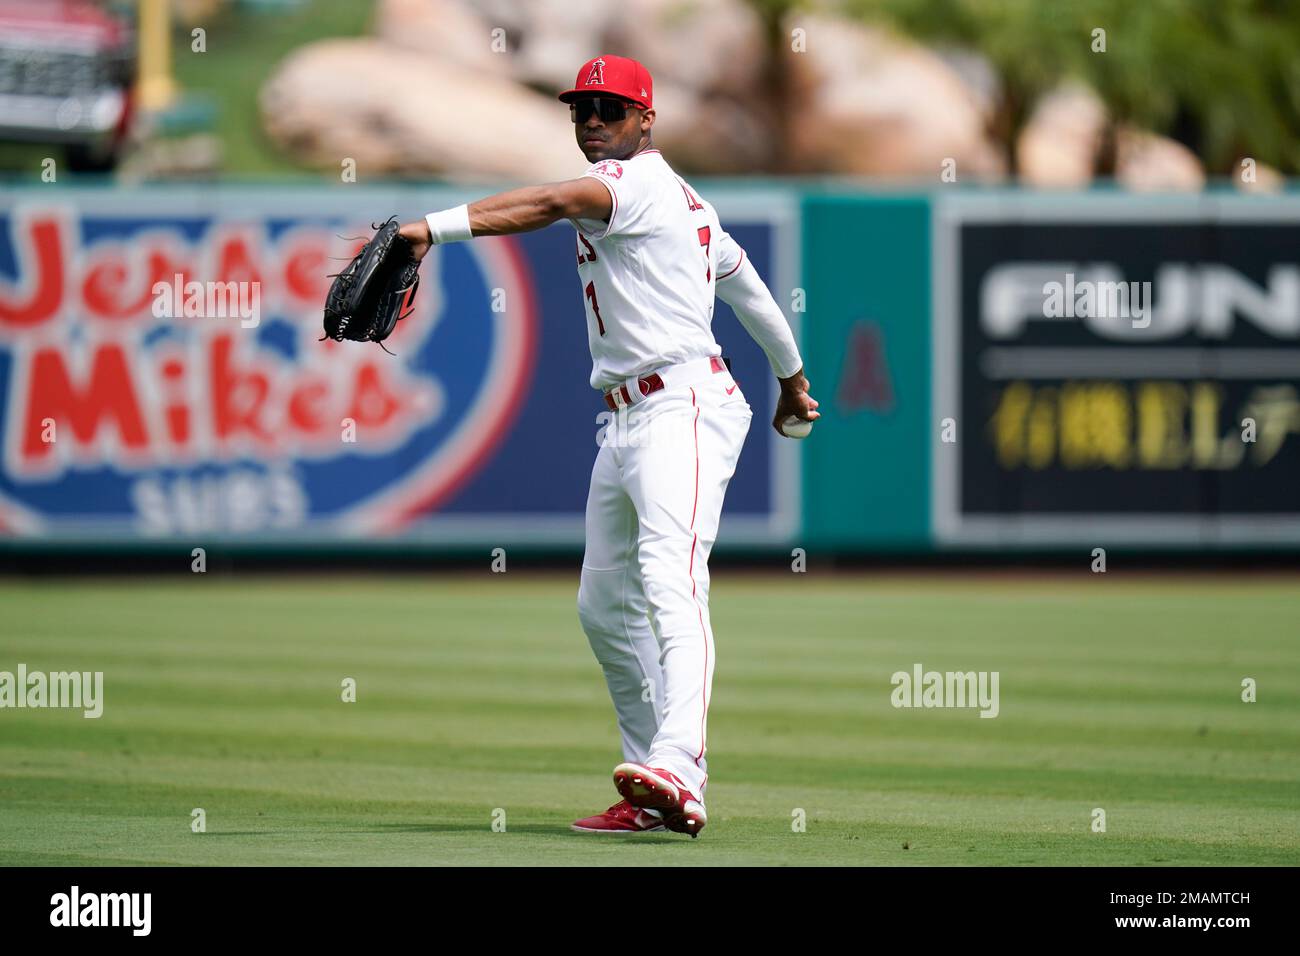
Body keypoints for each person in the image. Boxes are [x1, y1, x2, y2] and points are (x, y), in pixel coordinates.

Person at [400, 54, 818, 837]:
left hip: (683, 405)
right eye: (582, 108)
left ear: (645, 120)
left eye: (611, 108)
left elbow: (555, 199)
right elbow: (746, 283)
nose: (593, 120)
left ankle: (681, 765)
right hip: (629, 415)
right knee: (603, 607)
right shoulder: (687, 205)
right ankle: (652, 792)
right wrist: (792, 378)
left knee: (670, 579)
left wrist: (431, 228)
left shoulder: (635, 185)